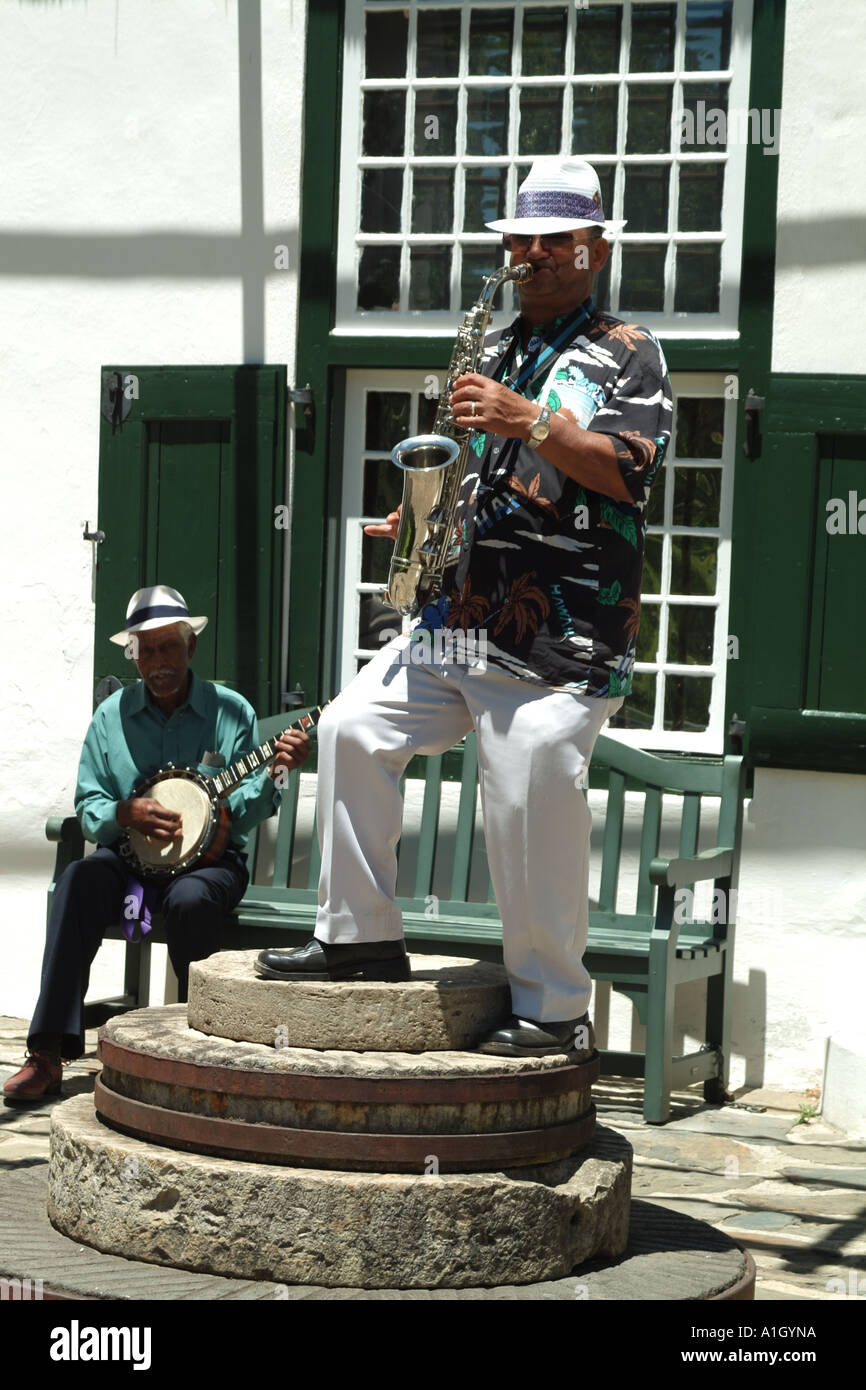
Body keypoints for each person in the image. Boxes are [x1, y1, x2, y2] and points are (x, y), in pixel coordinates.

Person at [255, 156, 672, 1058]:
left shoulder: (630, 350)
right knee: (352, 729)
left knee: (526, 803)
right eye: (521, 238)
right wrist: (420, 519)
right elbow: (477, 466)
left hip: (561, 635)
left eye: (555, 240)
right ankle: (360, 939)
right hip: (462, 619)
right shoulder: (494, 345)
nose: (533, 255)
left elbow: (629, 473)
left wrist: (530, 421)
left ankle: (555, 1011)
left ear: (594, 250)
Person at [3, 585, 310, 1101]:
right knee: (78, 880)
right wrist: (127, 812)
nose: (157, 661)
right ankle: (47, 1052)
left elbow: (253, 808)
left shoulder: (230, 712)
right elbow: (91, 804)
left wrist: (277, 771)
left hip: (209, 863)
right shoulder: (111, 717)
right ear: (135, 656)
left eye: (168, 647)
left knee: (191, 901)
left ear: (191, 647)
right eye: (146, 650)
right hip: (129, 861)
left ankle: (198, 1054)